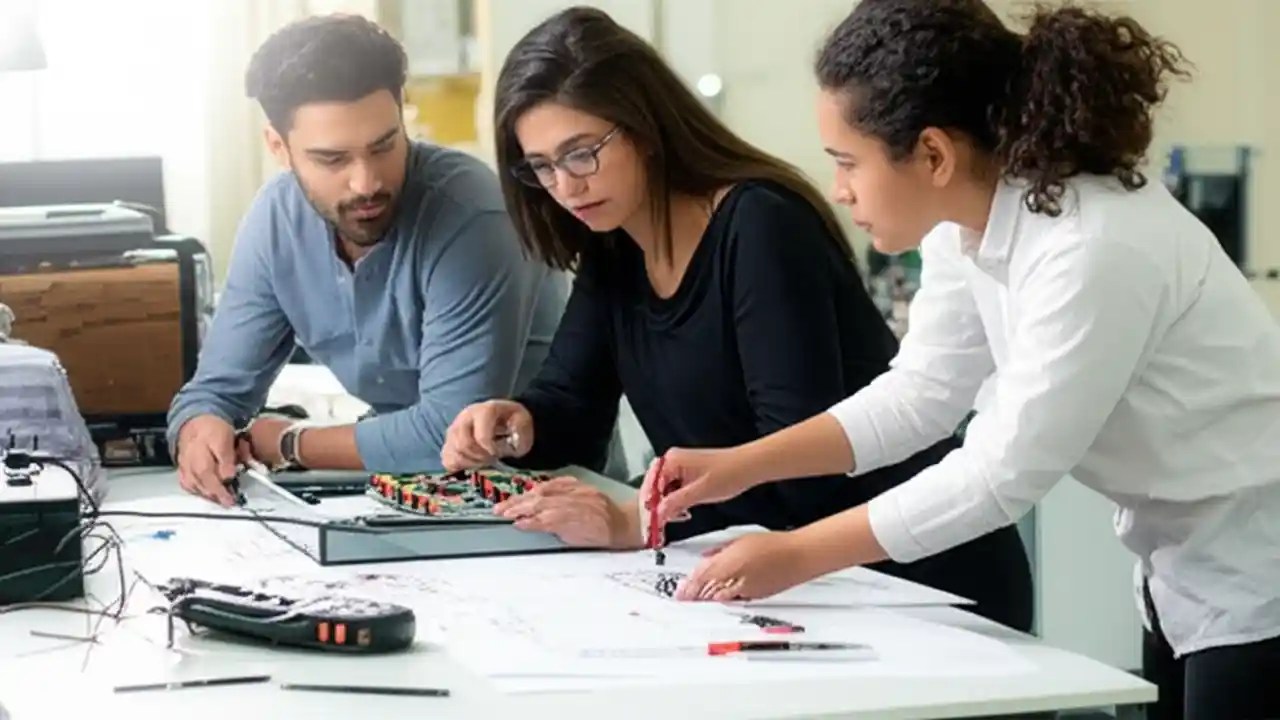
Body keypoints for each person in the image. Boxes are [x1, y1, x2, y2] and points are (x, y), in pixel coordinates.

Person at [651, 2, 1280, 718]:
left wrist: (794, 554)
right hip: (1182, 571)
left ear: (932, 155)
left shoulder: (1092, 247)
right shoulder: (969, 228)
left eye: (848, 162)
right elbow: (919, 394)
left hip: (1258, 570)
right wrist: (743, 462)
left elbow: (998, 476)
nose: (839, 189)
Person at [438, 6, 1033, 632]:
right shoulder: (613, 245)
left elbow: (798, 479)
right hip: (787, 583)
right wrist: (519, 426)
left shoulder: (760, 224)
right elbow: (574, 409)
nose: (565, 186)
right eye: (541, 167)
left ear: (644, 125)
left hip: (915, 581)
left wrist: (637, 519)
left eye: (582, 154)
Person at [167, 14, 567, 506]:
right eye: (332, 159)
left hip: (541, 497)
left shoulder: (474, 216)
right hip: (396, 494)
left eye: (384, 146)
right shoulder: (275, 219)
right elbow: (214, 391)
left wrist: (290, 442)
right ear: (279, 147)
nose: (367, 182)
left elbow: (449, 433)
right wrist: (201, 427)